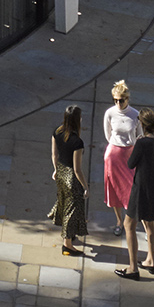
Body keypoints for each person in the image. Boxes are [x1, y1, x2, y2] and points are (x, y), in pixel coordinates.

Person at [119, 108, 154, 278]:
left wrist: (135, 144)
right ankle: (150, 260)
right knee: (150, 224)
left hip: (141, 190)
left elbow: (131, 164)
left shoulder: (142, 143)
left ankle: (133, 268)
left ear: (141, 124)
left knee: (129, 225)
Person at [102, 80, 140, 239]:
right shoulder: (110, 113)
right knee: (114, 190)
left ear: (128, 99)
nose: (118, 103)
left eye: (121, 100)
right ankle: (119, 221)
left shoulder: (135, 114)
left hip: (130, 154)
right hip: (114, 154)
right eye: (115, 100)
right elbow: (108, 134)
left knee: (133, 190)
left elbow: (140, 135)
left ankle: (132, 221)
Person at [49, 103, 87, 256]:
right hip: (71, 177)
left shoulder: (57, 131)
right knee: (72, 209)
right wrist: (85, 186)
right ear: (78, 120)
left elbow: (54, 155)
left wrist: (56, 170)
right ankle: (67, 245)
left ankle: (71, 235)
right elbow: (77, 169)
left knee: (65, 204)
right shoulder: (77, 142)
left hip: (61, 173)